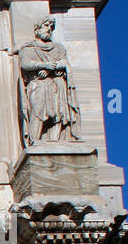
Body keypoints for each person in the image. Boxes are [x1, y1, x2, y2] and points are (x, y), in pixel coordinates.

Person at [18, 16, 81, 146]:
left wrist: (53, 67)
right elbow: (25, 63)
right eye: (46, 26)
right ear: (37, 29)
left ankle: (55, 142)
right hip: (38, 84)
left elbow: (64, 63)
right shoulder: (29, 47)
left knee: (60, 113)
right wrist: (44, 66)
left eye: (51, 27)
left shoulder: (58, 48)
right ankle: (34, 141)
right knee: (38, 111)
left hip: (57, 84)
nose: (49, 29)